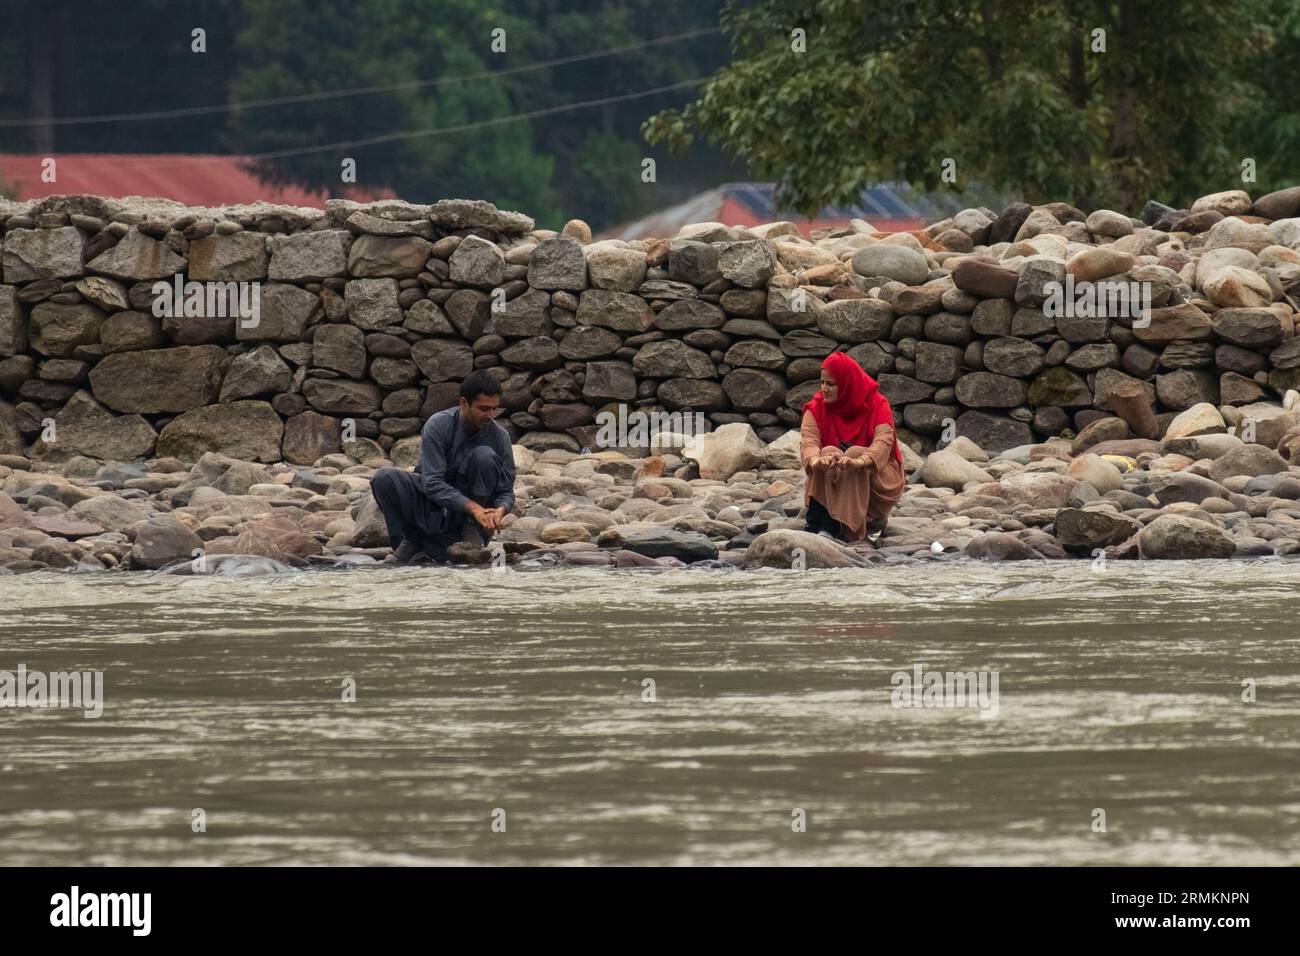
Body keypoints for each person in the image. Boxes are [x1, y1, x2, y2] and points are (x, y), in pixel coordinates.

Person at [370, 370, 516, 562]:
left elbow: (506, 490)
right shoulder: (438, 425)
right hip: (432, 508)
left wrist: (500, 510)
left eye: (494, 409)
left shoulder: (500, 437)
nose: (490, 415)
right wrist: (474, 508)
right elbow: (432, 484)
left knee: (485, 456)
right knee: (383, 479)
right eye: (483, 409)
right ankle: (412, 540)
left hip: (473, 520)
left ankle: (471, 535)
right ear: (463, 403)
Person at [800, 352, 905, 544]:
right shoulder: (816, 407)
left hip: (876, 476)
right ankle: (822, 524)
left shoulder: (878, 403)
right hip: (835, 474)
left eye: (831, 384)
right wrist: (816, 460)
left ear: (847, 383)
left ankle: (842, 527)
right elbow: (809, 441)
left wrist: (859, 462)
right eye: (822, 383)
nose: (824, 389)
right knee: (828, 453)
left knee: (854, 453)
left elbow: (883, 442)